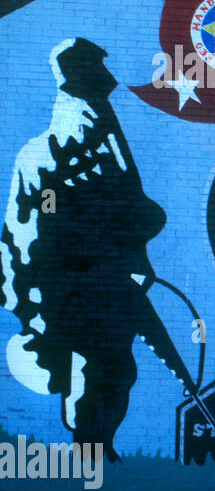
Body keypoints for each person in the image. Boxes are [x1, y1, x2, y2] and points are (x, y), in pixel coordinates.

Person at [1, 38, 197, 459]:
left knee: (116, 370)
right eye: (98, 70)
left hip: (108, 283)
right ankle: (90, 451)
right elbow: (30, 230)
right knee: (92, 368)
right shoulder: (53, 152)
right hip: (74, 288)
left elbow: (131, 210)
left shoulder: (102, 139)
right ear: (76, 75)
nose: (110, 80)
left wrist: (137, 253)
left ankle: (98, 448)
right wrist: (36, 296)